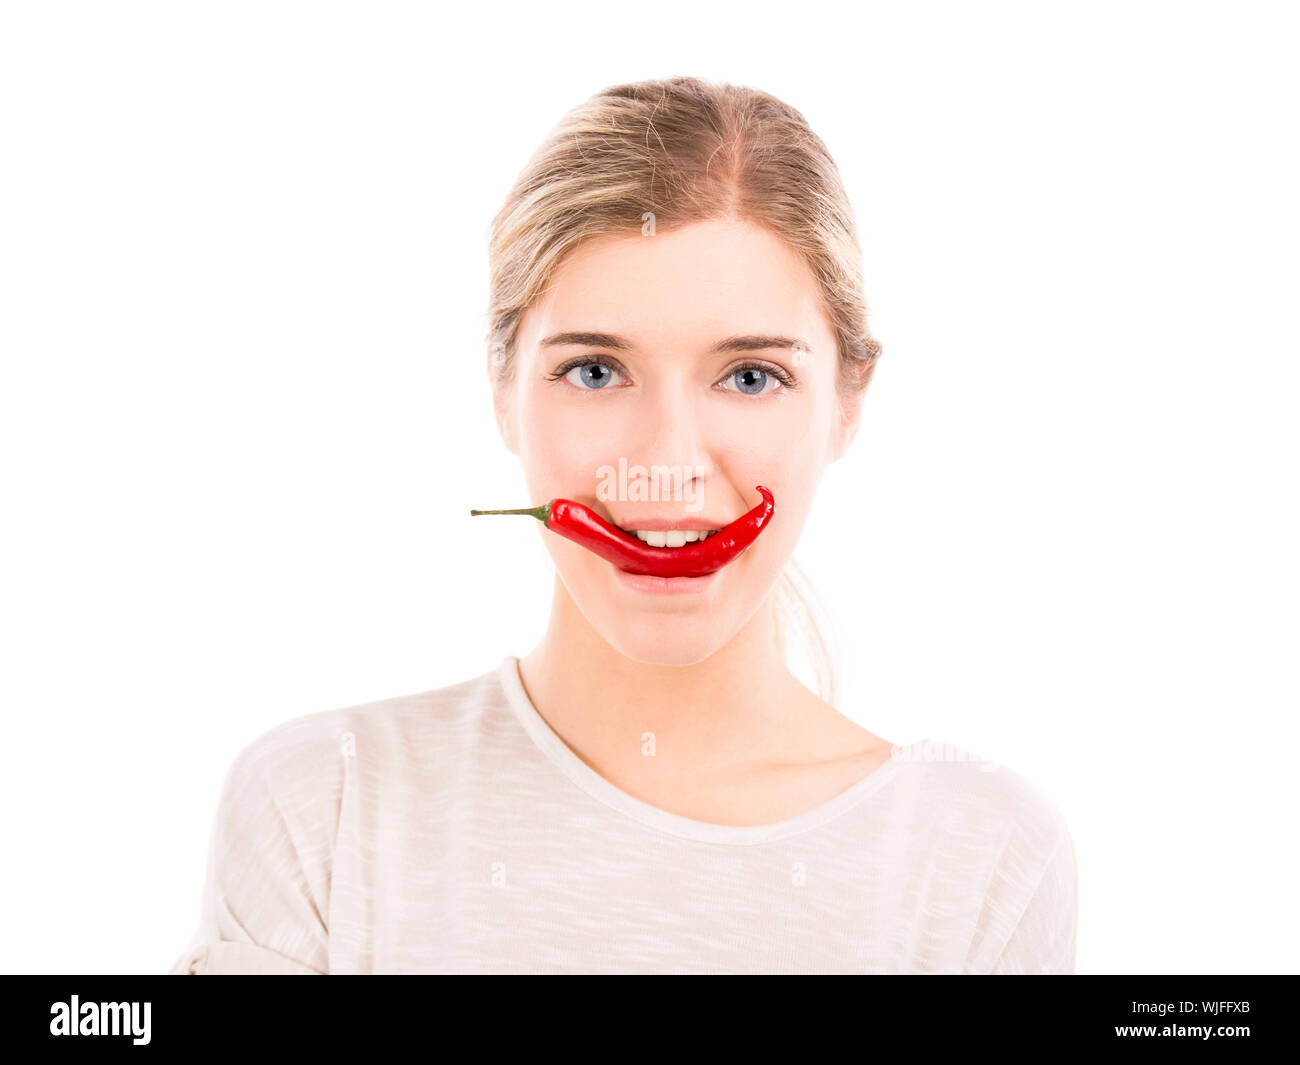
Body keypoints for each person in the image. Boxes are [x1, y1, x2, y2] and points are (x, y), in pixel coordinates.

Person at [170, 75, 1077, 975]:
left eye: (750, 375)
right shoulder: (323, 810)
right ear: (502, 394)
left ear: (847, 404)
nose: (668, 464)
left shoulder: (982, 862)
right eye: (597, 371)